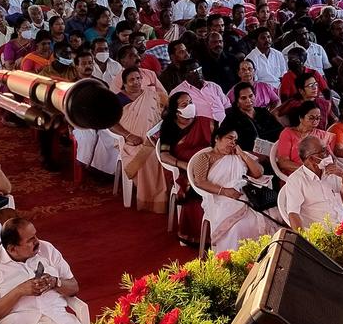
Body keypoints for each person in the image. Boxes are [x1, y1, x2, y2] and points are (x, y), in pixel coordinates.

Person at [190, 123, 275, 251]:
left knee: (272, 216)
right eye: (229, 138)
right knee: (238, 227)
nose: (233, 143)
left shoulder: (237, 156)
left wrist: (242, 154)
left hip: (245, 195)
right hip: (219, 198)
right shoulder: (205, 157)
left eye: (235, 140)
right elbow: (200, 182)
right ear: (217, 138)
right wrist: (225, 191)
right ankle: (235, 259)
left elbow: (258, 173)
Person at [157, 92, 215, 244]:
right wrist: (183, 165)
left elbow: (219, 142)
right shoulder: (169, 127)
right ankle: (201, 234)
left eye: (190, 102)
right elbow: (164, 155)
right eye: (184, 105)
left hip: (211, 162)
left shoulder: (204, 122)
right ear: (176, 111)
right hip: (185, 168)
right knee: (195, 189)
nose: (190, 106)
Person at [111, 68, 168, 213]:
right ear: (124, 83)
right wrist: (128, 136)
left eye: (138, 78)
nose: (136, 82)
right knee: (150, 158)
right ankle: (152, 200)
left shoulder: (151, 95)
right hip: (132, 143)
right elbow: (111, 123)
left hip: (157, 138)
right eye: (132, 80)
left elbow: (167, 108)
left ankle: (170, 197)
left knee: (169, 154)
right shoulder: (118, 100)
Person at [277, 135, 343, 229]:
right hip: (325, 233)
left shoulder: (334, 172)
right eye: (323, 151)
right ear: (311, 159)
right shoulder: (296, 180)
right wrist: (302, 237)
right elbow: (293, 214)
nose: (328, 154)